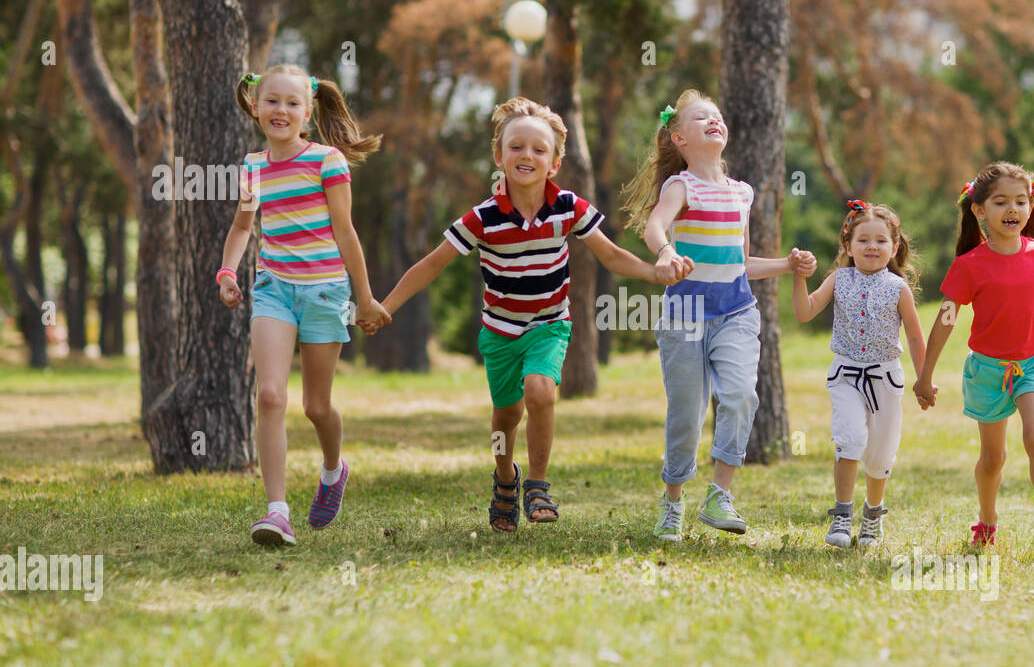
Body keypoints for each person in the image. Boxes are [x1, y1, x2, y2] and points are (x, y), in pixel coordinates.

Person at [361, 96, 691, 532]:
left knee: (540, 391)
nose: (527, 156)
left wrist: (656, 272)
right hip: (499, 331)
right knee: (506, 416)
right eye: (516, 147)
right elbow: (432, 264)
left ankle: (537, 484)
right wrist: (386, 306)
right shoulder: (482, 219)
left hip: (549, 324)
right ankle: (505, 479)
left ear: (554, 162)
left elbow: (611, 257)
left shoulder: (569, 207)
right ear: (499, 156)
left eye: (539, 149)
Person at [622, 89, 815, 542]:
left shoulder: (741, 193)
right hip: (685, 313)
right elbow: (654, 226)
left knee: (741, 396)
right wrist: (666, 252)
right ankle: (673, 501)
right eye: (701, 117)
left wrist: (787, 266)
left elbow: (740, 263)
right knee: (686, 413)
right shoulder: (681, 186)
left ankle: (719, 495)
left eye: (718, 116)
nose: (714, 121)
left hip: (736, 311)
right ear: (679, 137)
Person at [218, 65, 389, 546]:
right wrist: (227, 271)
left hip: (326, 291)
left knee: (317, 407)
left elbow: (345, 232)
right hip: (273, 287)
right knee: (270, 394)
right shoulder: (252, 166)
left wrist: (366, 297)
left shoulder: (326, 161)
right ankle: (277, 513)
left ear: (308, 112)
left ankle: (333, 471)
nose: (281, 111)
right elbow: (241, 228)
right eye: (272, 101)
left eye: (292, 103)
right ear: (255, 105)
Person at [914, 162, 1034, 557]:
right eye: (1001, 201)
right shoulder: (969, 266)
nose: (1013, 209)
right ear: (979, 210)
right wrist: (925, 374)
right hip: (988, 369)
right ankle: (987, 521)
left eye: (1021, 201)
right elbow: (947, 318)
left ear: (1031, 206)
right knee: (993, 458)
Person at [792, 200, 929, 548]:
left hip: (886, 379)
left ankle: (873, 514)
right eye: (863, 240)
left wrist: (923, 378)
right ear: (848, 247)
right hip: (846, 377)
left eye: (881, 241)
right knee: (850, 438)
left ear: (894, 247)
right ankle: (841, 515)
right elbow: (805, 312)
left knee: (881, 455)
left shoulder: (898, 288)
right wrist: (799, 279)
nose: (872, 246)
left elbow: (914, 336)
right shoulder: (839, 279)